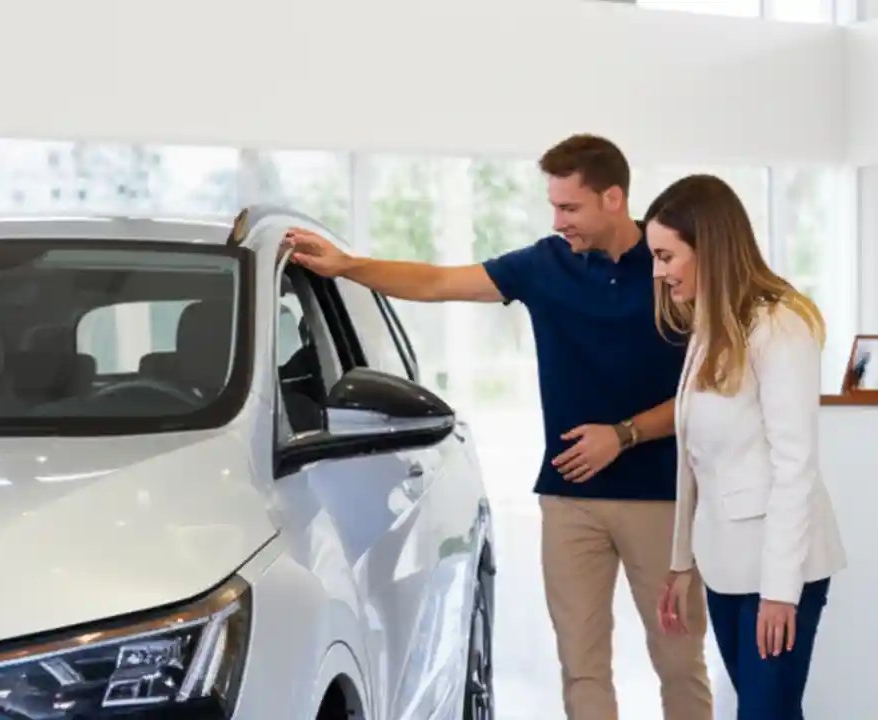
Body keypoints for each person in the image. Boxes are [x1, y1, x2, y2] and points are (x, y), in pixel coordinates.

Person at [283, 134, 712, 720]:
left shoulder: (671, 266)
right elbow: (436, 282)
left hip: (661, 498)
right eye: (554, 206)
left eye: (570, 207)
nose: (558, 220)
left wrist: (623, 434)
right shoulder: (545, 265)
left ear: (614, 198)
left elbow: (702, 389)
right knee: (582, 667)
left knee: (679, 662)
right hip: (570, 499)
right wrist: (349, 265)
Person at [648, 174, 847, 719]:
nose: (658, 273)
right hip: (726, 565)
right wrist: (680, 561)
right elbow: (693, 457)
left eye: (667, 256)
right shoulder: (710, 327)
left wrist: (780, 592)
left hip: (781, 568)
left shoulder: (780, 325)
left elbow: (794, 466)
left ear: (707, 247)